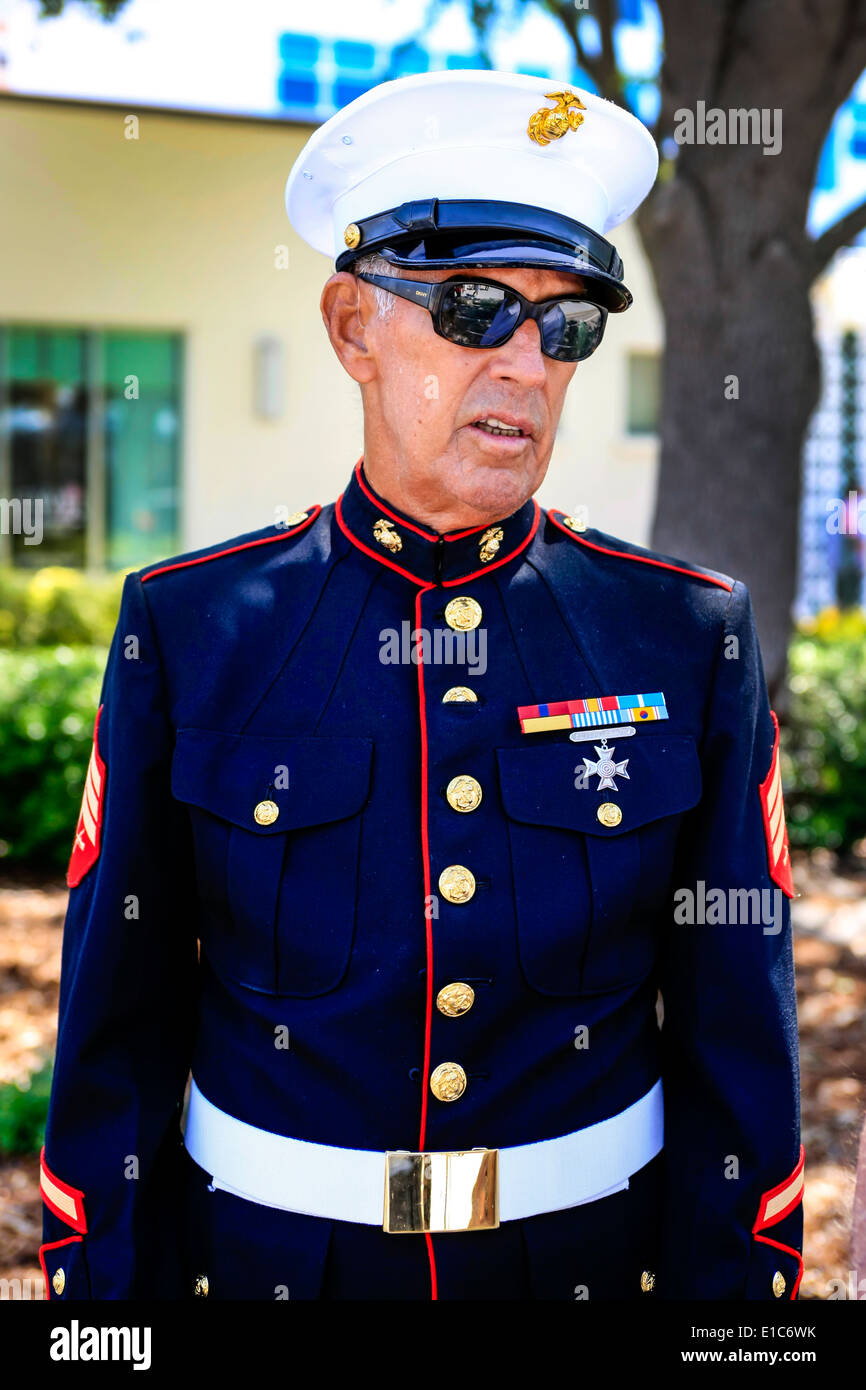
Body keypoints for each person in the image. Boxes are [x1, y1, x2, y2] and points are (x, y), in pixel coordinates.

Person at [39, 69, 803, 1302]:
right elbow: (113, 1028)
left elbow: (737, 1037)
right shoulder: (190, 627)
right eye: (472, 307)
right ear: (353, 327)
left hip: (585, 1274)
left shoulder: (680, 631)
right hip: (273, 1268)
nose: (524, 363)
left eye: (563, 326)